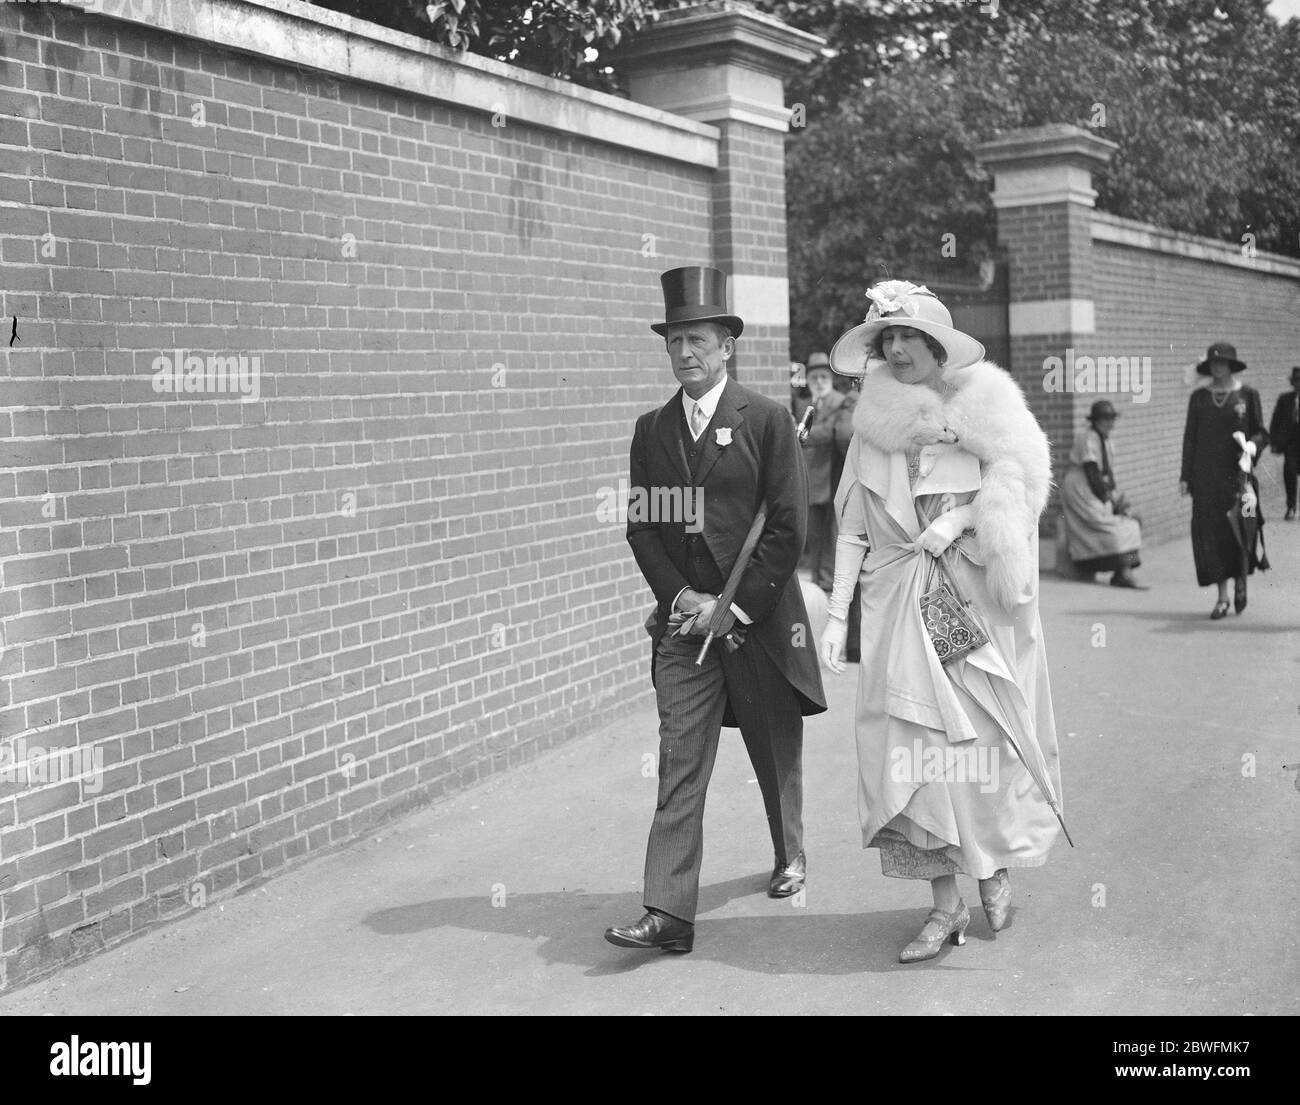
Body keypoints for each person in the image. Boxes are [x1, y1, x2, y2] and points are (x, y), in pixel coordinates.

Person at [818, 280, 1062, 964]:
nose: (896, 351)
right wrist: (836, 617)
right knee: (911, 754)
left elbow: (1021, 486)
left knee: (977, 746)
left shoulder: (986, 411)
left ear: (937, 347)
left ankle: (991, 867)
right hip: (896, 606)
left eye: (908, 339)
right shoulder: (873, 428)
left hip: (968, 605)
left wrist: (958, 518)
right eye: (885, 341)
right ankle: (943, 906)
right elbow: (853, 527)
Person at [606, 266, 827, 954]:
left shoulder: (764, 421)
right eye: (675, 341)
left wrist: (733, 611)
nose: (685, 354)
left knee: (772, 746)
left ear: (727, 345)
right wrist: (683, 599)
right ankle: (669, 913)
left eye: (698, 339)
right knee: (681, 763)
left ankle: (789, 850)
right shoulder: (652, 431)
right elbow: (644, 526)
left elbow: (790, 527)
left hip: (755, 623)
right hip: (683, 629)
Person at [1179, 342, 1269, 619]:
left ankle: (1241, 581)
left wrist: (1252, 446)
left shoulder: (1247, 394)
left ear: (1231, 365)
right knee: (1212, 536)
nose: (1218, 367)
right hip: (1205, 479)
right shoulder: (1199, 398)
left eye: (1223, 362)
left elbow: (1261, 433)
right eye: (1214, 363)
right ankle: (1221, 597)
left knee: (1240, 531)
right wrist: (1185, 476)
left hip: (1238, 477)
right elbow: (1190, 438)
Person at [1059, 399, 1146, 588]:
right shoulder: (1088, 439)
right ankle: (1116, 571)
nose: (1108, 423)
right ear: (1095, 421)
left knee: (1127, 525)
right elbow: (1092, 473)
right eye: (1104, 419)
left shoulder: (1106, 442)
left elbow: (1107, 474)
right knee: (1107, 526)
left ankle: (1123, 571)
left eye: (1110, 419)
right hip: (1080, 489)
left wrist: (1116, 498)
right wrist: (1109, 500)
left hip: (1093, 488)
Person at [799, 352, 848, 591]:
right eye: (814, 377)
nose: (819, 381)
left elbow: (831, 431)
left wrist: (804, 435)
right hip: (810, 478)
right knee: (814, 533)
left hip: (831, 477)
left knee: (832, 534)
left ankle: (827, 581)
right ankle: (818, 579)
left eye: (823, 376)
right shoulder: (805, 405)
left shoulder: (841, 402)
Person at [1268, 366, 1300, 520]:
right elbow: (1275, 421)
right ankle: (1291, 507)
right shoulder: (1284, 399)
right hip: (1291, 444)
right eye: (1296, 381)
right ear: (1292, 383)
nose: (1298, 384)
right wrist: (1274, 441)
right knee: (1289, 472)